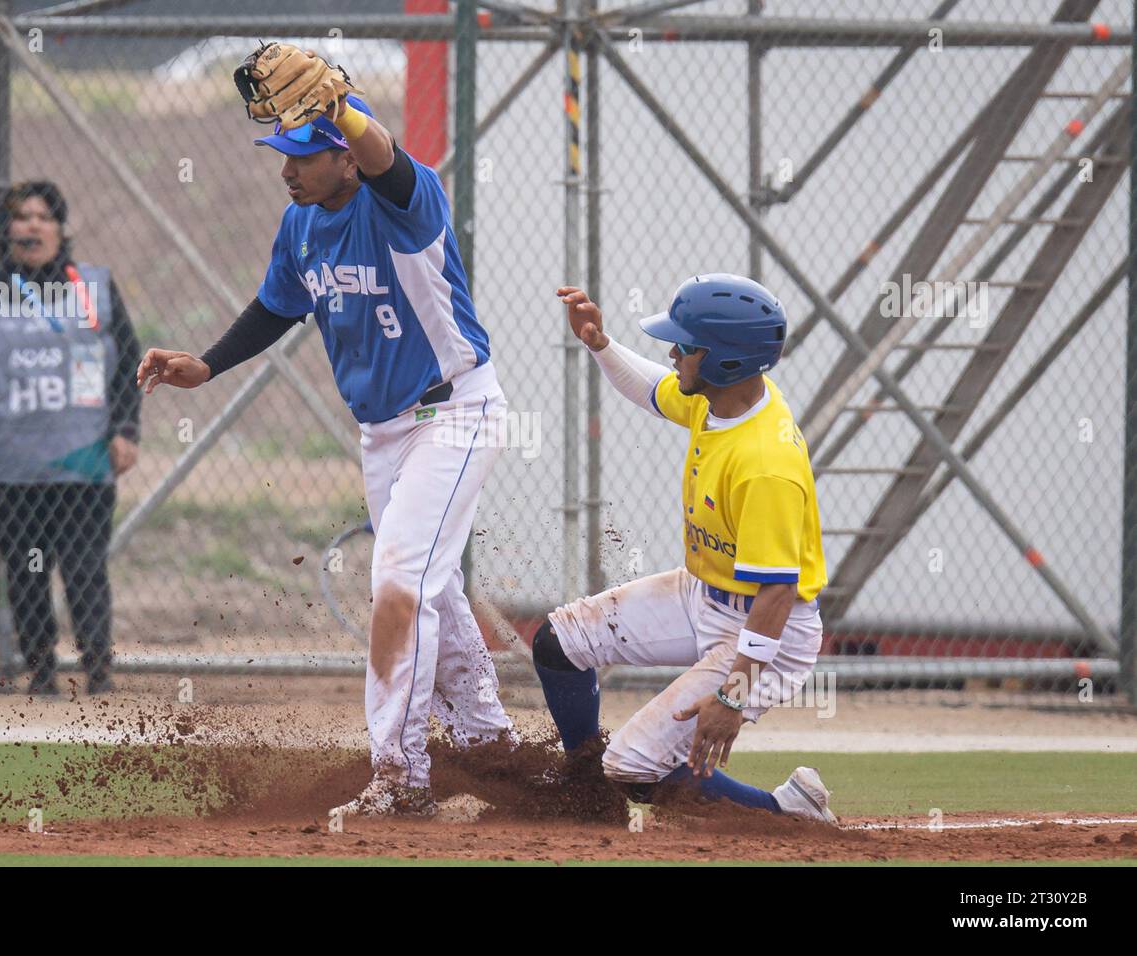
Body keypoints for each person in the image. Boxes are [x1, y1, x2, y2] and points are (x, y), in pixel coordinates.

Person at [137, 81, 515, 817]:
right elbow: (279, 304)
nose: (287, 170)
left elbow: (390, 159)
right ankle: (487, 743)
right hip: (382, 434)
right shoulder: (300, 223)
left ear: (347, 157)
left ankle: (399, 775)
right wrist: (208, 364)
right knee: (434, 590)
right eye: (283, 155)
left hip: (454, 414)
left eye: (304, 156)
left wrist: (339, 107)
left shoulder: (407, 204)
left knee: (399, 580)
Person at [534, 275, 837, 823]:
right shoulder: (723, 399)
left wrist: (733, 695)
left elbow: (778, 593)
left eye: (685, 344)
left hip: (768, 631)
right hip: (706, 595)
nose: (672, 351)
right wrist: (600, 344)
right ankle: (585, 789)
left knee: (633, 767)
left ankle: (785, 813)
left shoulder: (765, 463)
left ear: (723, 360)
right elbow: (654, 387)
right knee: (559, 642)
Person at [0, 180, 141, 696]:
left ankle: (98, 670)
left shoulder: (93, 288)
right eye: (20, 217)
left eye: (42, 216)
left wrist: (125, 430)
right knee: (27, 570)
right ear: (6, 232)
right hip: (11, 465)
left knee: (85, 567)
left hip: (85, 461)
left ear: (60, 229)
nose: (31, 225)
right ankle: (42, 671)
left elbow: (127, 366)